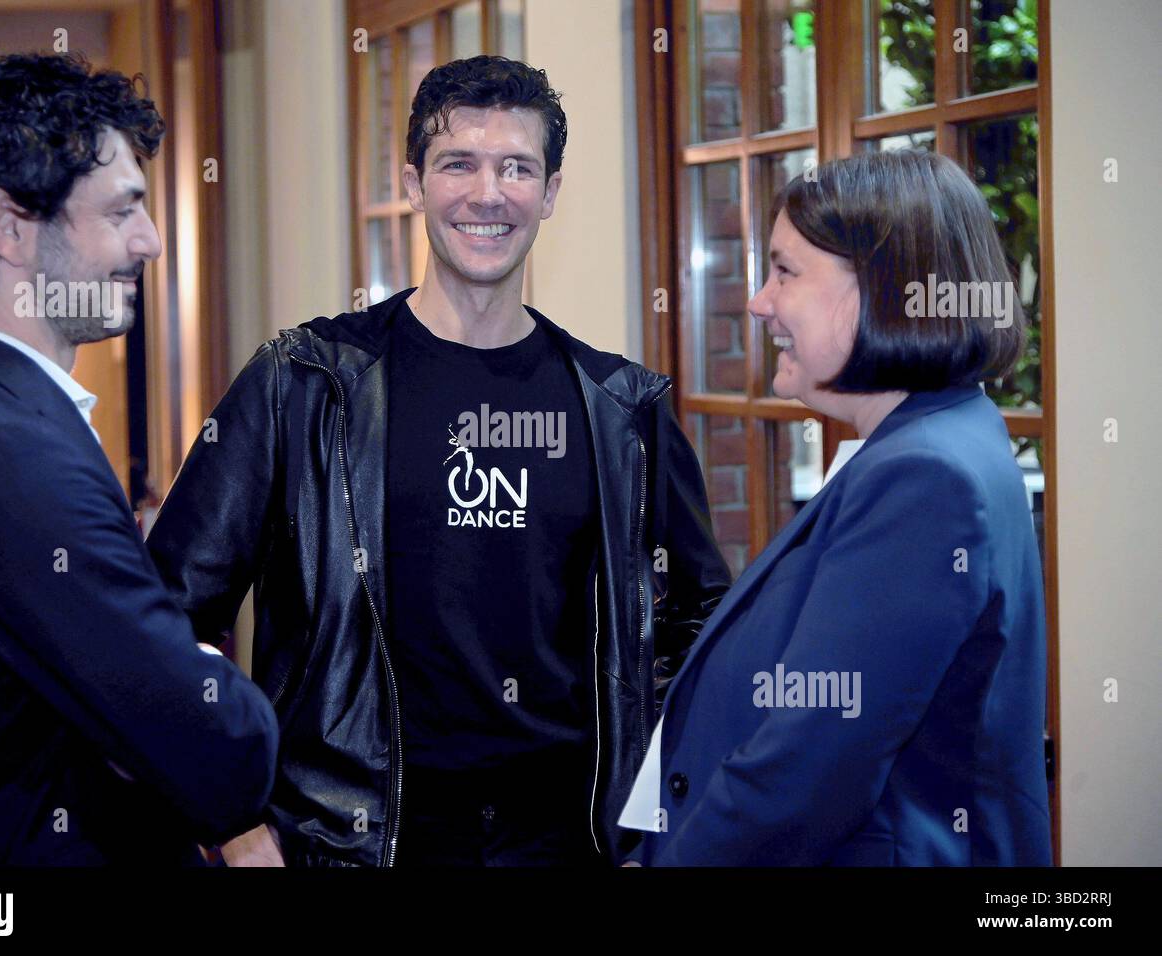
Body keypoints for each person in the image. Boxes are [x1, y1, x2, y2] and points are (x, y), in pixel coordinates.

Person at [145, 55, 730, 867]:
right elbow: (166, 617)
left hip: (565, 849)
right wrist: (233, 822)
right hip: (348, 844)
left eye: (517, 168)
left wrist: (659, 828)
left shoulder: (621, 408)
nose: (487, 194)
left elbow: (698, 636)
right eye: (458, 163)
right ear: (414, 183)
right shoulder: (305, 384)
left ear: (551, 193)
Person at [0, 53, 279, 865]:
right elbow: (222, 753)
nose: (151, 242)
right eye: (123, 211)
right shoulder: (8, 454)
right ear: (9, 227)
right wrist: (193, 674)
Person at [621, 150, 1051, 866]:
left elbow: (807, 769)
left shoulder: (923, 476)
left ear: (883, 290)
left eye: (785, 271)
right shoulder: (944, 433)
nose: (759, 302)